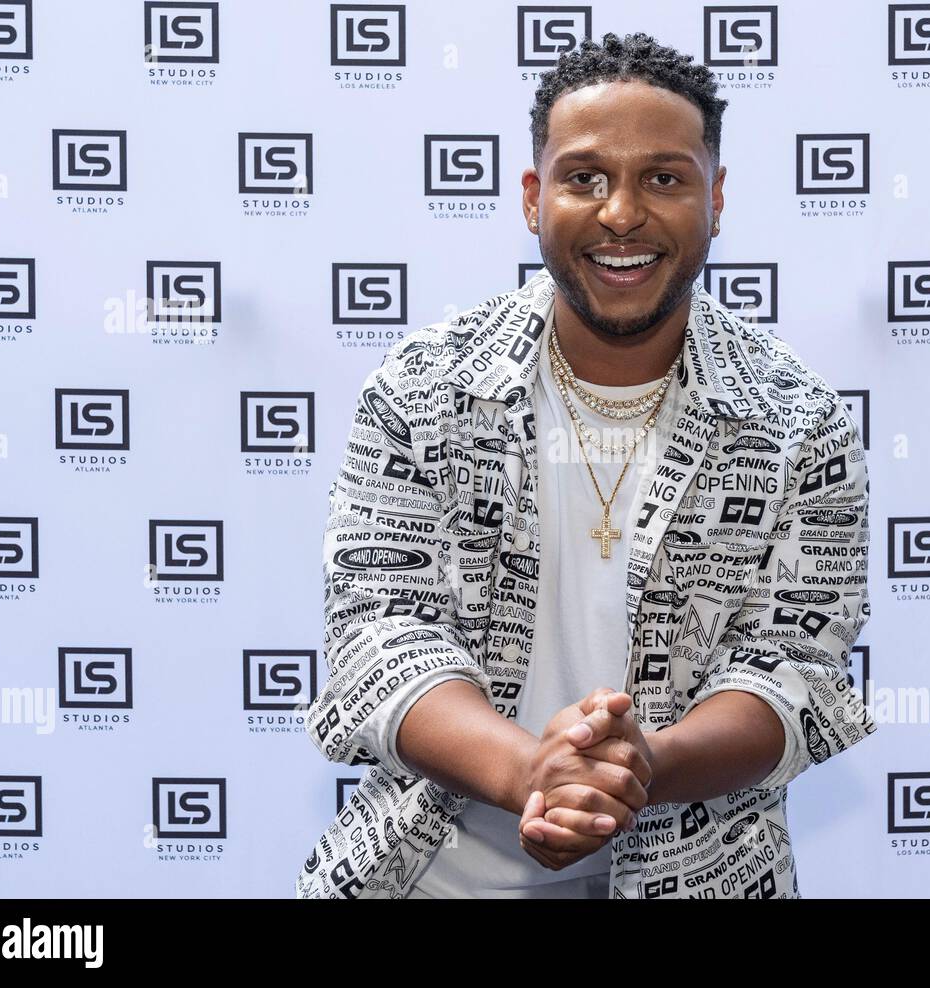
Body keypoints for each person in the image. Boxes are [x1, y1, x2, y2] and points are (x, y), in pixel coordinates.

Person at [296, 31, 876, 900]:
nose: (621, 213)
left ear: (717, 199)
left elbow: (795, 667)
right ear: (534, 198)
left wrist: (652, 762)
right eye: (585, 178)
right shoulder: (421, 388)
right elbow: (381, 636)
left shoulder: (798, 420)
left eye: (665, 178)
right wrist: (533, 773)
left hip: (704, 875)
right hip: (425, 876)